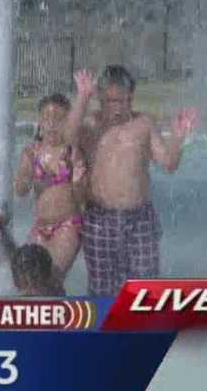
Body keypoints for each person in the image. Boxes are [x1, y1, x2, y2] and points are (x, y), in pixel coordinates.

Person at [63, 66, 199, 296]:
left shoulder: (143, 124)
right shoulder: (91, 125)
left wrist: (178, 138)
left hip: (139, 219)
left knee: (145, 288)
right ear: (99, 98)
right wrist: (82, 97)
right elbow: (67, 137)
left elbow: (168, 163)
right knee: (101, 289)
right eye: (109, 101)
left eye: (122, 101)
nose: (116, 108)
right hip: (99, 218)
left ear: (131, 97)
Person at [13, 93, 87, 283]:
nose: (52, 123)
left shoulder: (72, 152)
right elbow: (21, 191)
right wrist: (25, 174)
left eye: (59, 118)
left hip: (67, 226)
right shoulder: (32, 152)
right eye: (47, 117)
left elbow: (83, 200)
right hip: (40, 227)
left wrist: (78, 182)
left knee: (53, 278)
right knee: (30, 278)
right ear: (39, 120)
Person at [0, 211, 65, 296]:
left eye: (34, 283)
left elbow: (9, 249)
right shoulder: (53, 285)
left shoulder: (54, 289)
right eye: (26, 283)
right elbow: (9, 248)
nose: (30, 289)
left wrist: (1, 227)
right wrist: (1, 228)